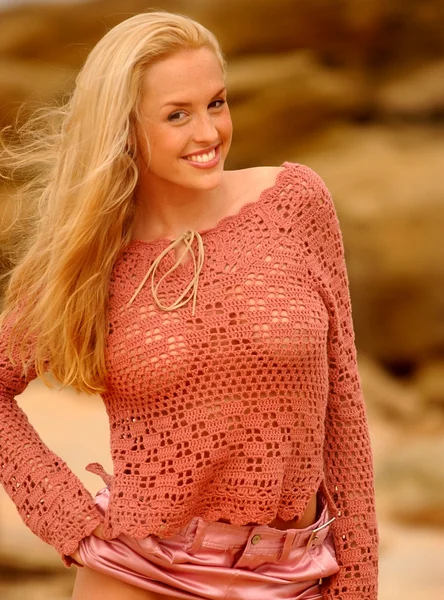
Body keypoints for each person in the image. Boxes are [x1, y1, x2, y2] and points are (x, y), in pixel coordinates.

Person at [0, 11, 378, 600]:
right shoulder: (90, 259)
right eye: (177, 114)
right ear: (123, 129)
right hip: (138, 576)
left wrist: (357, 586)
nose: (208, 134)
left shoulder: (294, 204)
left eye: (218, 103)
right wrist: (68, 519)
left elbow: (345, 418)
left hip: (291, 575)